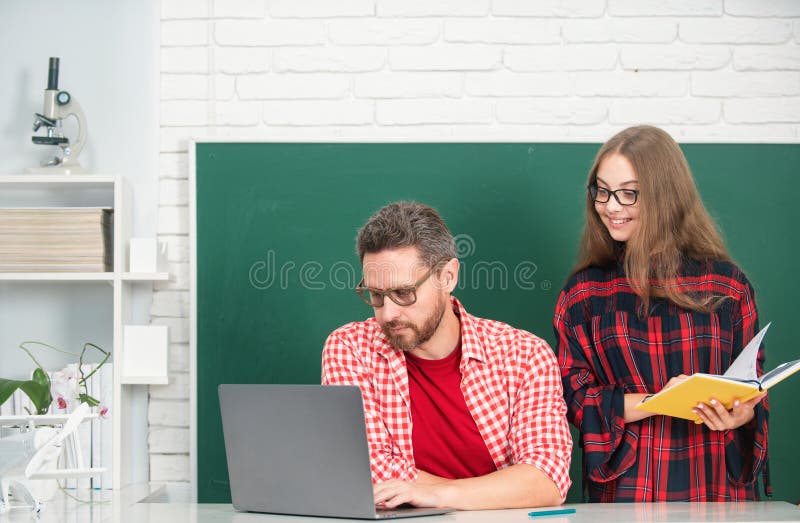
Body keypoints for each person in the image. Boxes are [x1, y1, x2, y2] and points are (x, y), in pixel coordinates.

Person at [554, 125, 769, 502]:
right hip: (626, 495)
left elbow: (753, 390)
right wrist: (658, 401)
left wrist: (743, 414)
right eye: (601, 191)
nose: (611, 206)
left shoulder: (728, 286)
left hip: (715, 489)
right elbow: (571, 398)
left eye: (628, 193)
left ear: (664, 195)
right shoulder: (583, 294)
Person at [322, 201, 572, 510]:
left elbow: (546, 479)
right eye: (375, 295)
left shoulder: (525, 355)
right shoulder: (349, 349)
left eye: (404, 293)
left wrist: (436, 495)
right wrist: (501, 491)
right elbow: (366, 470)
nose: (387, 314)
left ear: (448, 276)